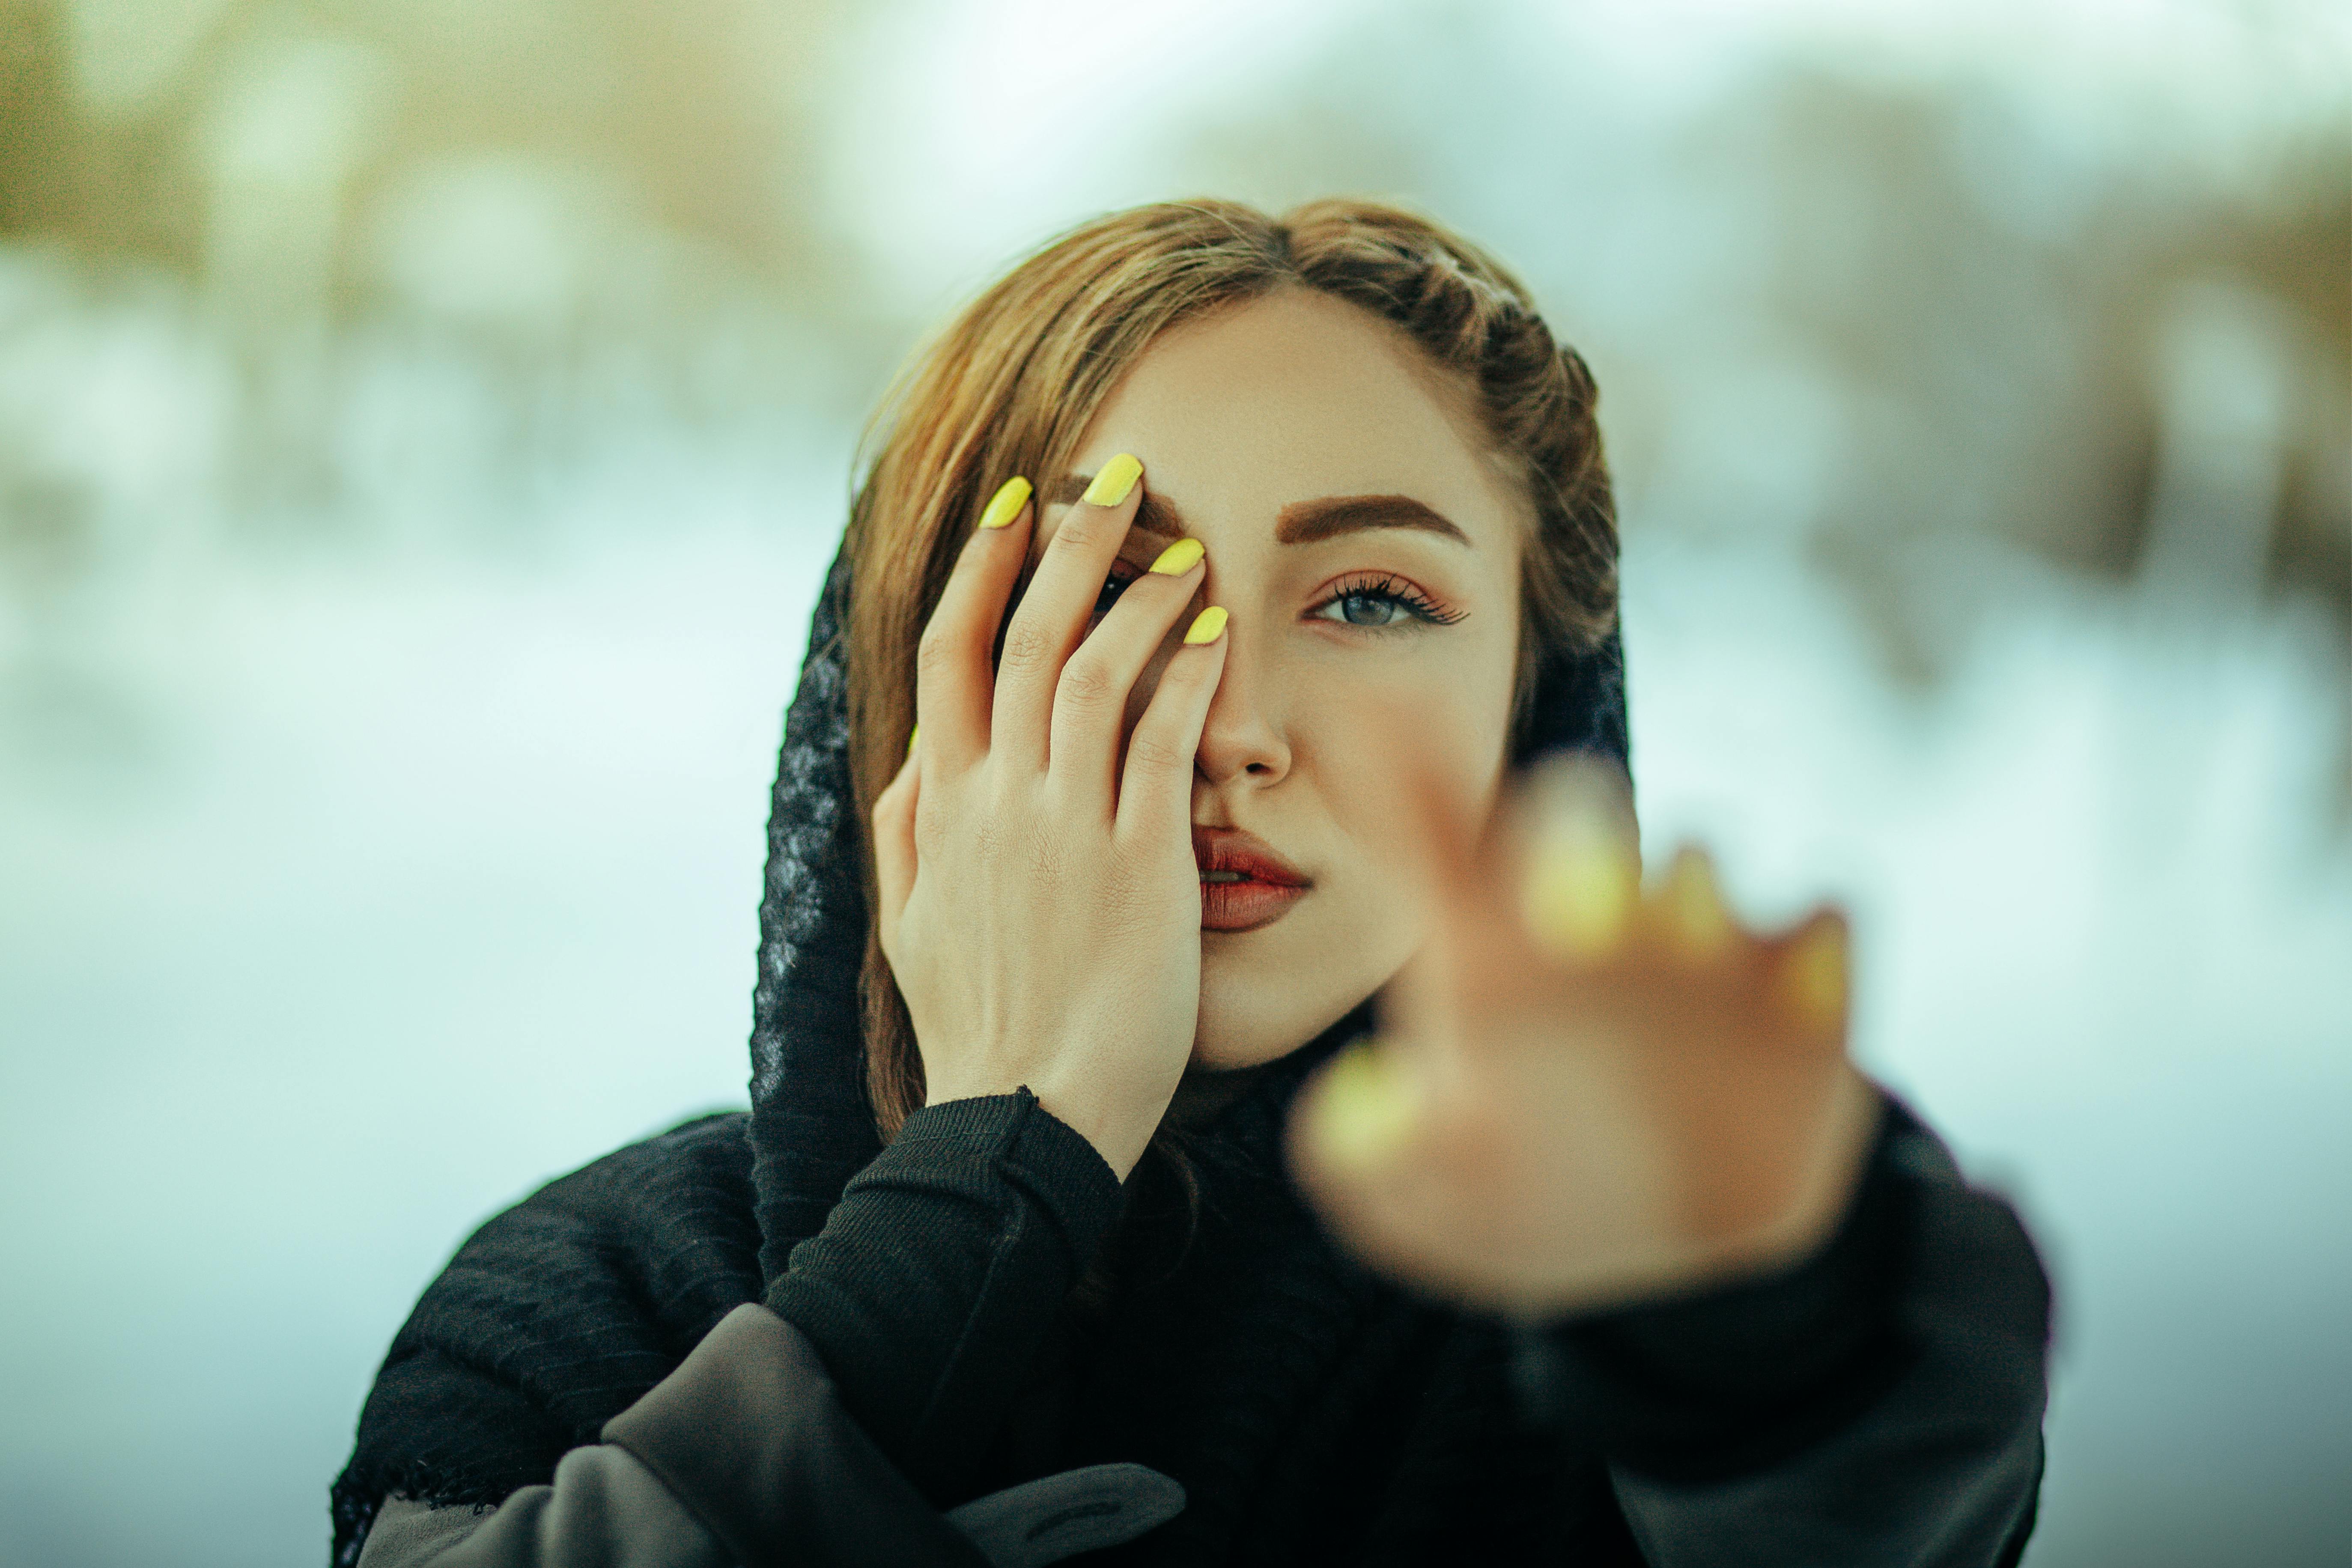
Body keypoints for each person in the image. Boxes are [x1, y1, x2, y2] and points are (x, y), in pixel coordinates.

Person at [332, 199, 2050, 1567]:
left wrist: (1768, 1301)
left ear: (1535, 695)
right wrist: (991, 1168)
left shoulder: (1610, 1350)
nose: (1227, 728)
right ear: (906, 672)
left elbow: (1875, 1496)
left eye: (1372, 600)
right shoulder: (586, 1310)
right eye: (1109, 596)